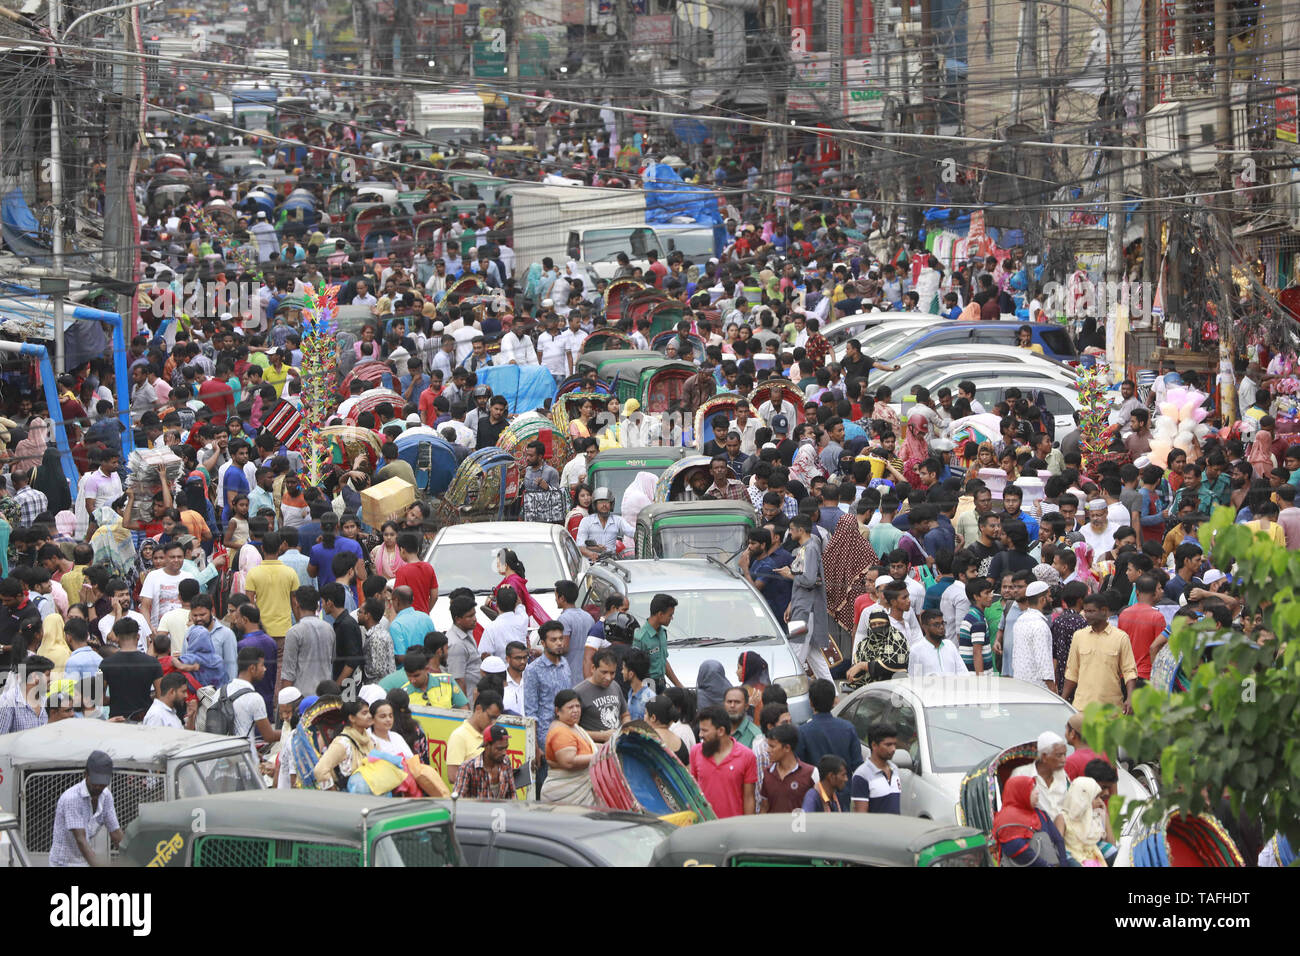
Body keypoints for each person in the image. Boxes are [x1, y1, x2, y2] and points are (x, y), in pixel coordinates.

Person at [1062, 593, 1139, 712]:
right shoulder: (1079, 636)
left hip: (1110, 709)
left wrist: (1130, 698)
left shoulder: (1121, 638)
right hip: (1082, 707)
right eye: (1085, 611)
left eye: (1091, 611)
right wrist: (1063, 700)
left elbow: (1129, 671)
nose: (1087, 615)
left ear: (1104, 611)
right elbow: (1072, 672)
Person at [778, 515, 833, 680]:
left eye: (792, 529)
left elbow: (808, 580)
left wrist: (789, 574)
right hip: (802, 606)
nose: (790, 533)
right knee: (814, 656)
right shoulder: (807, 547)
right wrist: (791, 604)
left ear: (800, 530)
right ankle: (832, 692)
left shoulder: (809, 548)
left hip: (805, 610)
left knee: (795, 652)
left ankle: (787, 689)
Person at [794, 679, 862, 809]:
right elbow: (858, 766)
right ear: (833, 702)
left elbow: (799, 768)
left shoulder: (803, 732)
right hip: (843, 797)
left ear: (811, 702)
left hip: (815, 797)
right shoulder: (848, 729)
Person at [522, 621, 573, 795]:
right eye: (553, 640)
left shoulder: (565, 664)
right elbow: (530, 711)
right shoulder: (533, 670)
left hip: (567, 735)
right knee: (547, 791)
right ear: (543, 643)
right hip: (545, 740)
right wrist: (535, 746)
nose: (559, 643)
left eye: (561, 639)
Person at [48, 751, 124, 867]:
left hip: (83, 861)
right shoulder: (72, 798)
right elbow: (81, 840)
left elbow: (115, 832)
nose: (98, 787)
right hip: (63, 863)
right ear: (86, 775)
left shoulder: (106, 796)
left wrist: (132, 858)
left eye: (102, 783)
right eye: (95, 782)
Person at [690, 704, 757, 817]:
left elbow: (749, 798)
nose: (700, 735)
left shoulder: (747, 756)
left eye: (704, 731)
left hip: (734, 827)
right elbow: (693, 790)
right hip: (704, 826)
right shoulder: (695, 751)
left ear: (721, 731)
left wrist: (747, 827)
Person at [992, 776, 1068, 866]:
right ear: (1020, 792)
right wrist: (1046, 865)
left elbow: (1058, 840)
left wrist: (1063, 863)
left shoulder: (1040, 814)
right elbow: (1018, 850)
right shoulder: (1006, 819)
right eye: (1031, 789)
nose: (1037, 792)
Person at [540, 688, 597, 804]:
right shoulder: (560, 731)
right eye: (570, 707)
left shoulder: (573, 727)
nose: (576, 710)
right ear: (557, 711)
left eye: (578, 706)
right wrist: (599, 756)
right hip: (564, 792)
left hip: (580, 789)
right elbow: (568, 761)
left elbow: (588, 747)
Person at [99, 617, 162, 720]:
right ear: (138, 636)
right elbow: (161, 697)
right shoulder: (153, 663)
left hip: (117, 720)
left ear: (117, 638)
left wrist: (117, 699)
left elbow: (98, 699)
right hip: (144, 720)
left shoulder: (104, 664)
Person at [278, 587, 336, 697]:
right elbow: (332, 660)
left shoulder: (294, 632)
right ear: (317, 605)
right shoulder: (329, 629)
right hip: (325, 696)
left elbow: (288, 673)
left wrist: (286, 702)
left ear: (296, 604)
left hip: (302, 697)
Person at [312, 700, 374, 790]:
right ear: (352, 718)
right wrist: (335, 794)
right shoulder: (342, 743)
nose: (369, 716)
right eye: (364, 713)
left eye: (369, 712)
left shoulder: (370, 740)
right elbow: (320, 770)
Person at [1011, 730, 1070, 823]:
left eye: (1065, 754)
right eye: (1059, 755)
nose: (1064, 760)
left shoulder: (1063, 776)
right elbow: (1013, 809)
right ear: (1044, 757)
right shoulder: (1021, 774)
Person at [758, 723, 815, 813]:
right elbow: (765, 806)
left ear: (787, 748)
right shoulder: (767, 773)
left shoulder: (811, 773)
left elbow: (823, 805)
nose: (768, 750)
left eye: (772, 746)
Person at [446, 690, 503, 781]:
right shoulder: (458, 736)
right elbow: (452, 776)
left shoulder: (492, 735)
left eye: (496, 719)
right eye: (491, 717)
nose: (493, 723)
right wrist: (485, 781)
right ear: (478, 709)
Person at [574, 649, 628, 743]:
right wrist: (601, 736)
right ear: (593, 668)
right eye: (604, 672)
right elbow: (572, 730)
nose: (608, 678)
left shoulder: (615, 686)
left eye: (612, 673)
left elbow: (625, 714)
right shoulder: (579, 692)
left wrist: (626, 730)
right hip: (594, 751)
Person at [1011, 581, 1057, 691]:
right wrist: (1053, 691)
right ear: (1042, 600)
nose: (1051, 600)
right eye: (1049, 596)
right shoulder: (1040, 626)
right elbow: (1044, 663)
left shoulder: (1020, 620)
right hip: (1038, 689)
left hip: (1020, 685)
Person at [633, 593, 683, 692]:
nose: (672, 618)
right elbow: (635, 671)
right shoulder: (641, 638)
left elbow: (663, 661)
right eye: (670, 615)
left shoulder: (662, 633)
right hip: (647, 686)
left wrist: (679, 686)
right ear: (660, 614)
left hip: (662, 685)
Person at [452, 723, 516, 799]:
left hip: (500, 810)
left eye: (506, 748)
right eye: (499, 749)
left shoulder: (506, 761)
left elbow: (512, 793)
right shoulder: (467, 768)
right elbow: (458, 800)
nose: (504, 753)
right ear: (486, 745)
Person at [851, 722, 902, 813]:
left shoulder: (894, 769)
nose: (893, 749)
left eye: (895, 744)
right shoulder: (862, 775)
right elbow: (861, 816)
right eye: (888, 745)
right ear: (874, 745)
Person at [575, 487, 633, 560]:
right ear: (595, 505)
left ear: (611, 504)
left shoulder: (618, 520)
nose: (604, 505)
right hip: (591, 563)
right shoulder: (586, 521)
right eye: (600, 502)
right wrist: (592, 554)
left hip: (612, 562)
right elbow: (580, 547)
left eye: (607, 502)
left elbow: (632, 532)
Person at [907, 608, 966, 676]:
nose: (941, 627)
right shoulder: (916, 650)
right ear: (924, 627)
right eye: (936, 624)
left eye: (942, 623)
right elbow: (916, 680)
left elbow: (962, 673)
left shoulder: (950, 645)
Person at [394, 533, 438, 613]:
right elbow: (434, 596)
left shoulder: (402, 571)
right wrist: (426, 611)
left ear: (402, 550)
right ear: (417, 549)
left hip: (408, 618)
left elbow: (397, 598)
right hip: (424, 616)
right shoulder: (429, 567)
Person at [644, 695, 690, 765]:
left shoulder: (647, 738)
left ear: (653, 718)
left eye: (645, 713)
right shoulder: (681, 743)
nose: (643, 717)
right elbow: (687, 773)